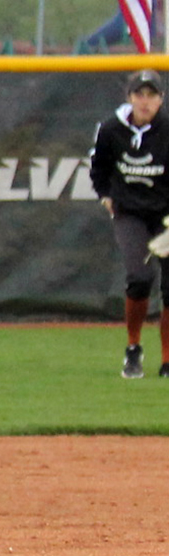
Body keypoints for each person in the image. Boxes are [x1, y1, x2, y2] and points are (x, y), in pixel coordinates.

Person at [89, 68, 169, 377]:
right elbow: (99, 168)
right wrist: (105, 195)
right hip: (130, 212)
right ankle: (133, 349)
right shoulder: (112, 129)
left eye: (152, 95)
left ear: (161, 99)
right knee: (139, 276)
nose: (145, 101)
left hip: (165, 215)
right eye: (140, 94)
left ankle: (166, 359)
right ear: (129, 97)